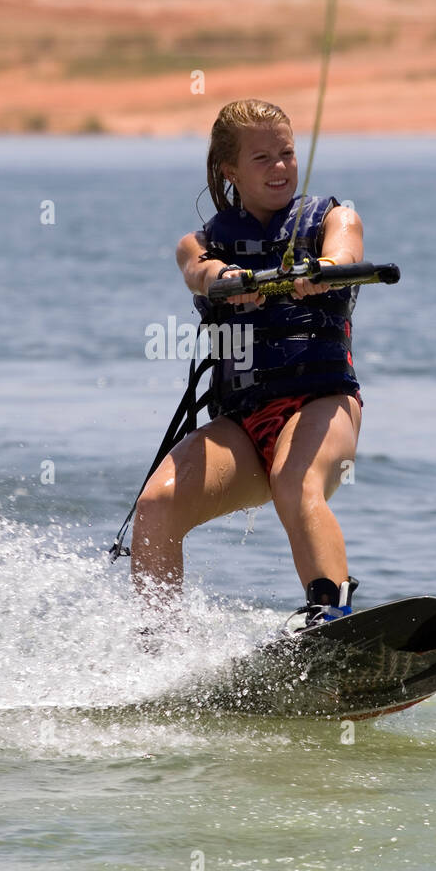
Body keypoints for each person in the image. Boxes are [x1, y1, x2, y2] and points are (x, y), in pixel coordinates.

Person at [131, 98, 364, 625]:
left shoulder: (333, 217)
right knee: (156, 505)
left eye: (286, 153)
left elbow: (346, 255)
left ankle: (329, 616)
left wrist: (321, 270)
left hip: (321, 403)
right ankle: (160, 652)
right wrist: (226, 281)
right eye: (263, 159)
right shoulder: (201, 242)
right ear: (229, 170)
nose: (280, 167)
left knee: (293, 478)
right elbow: (199, 271)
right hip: (242, 419)